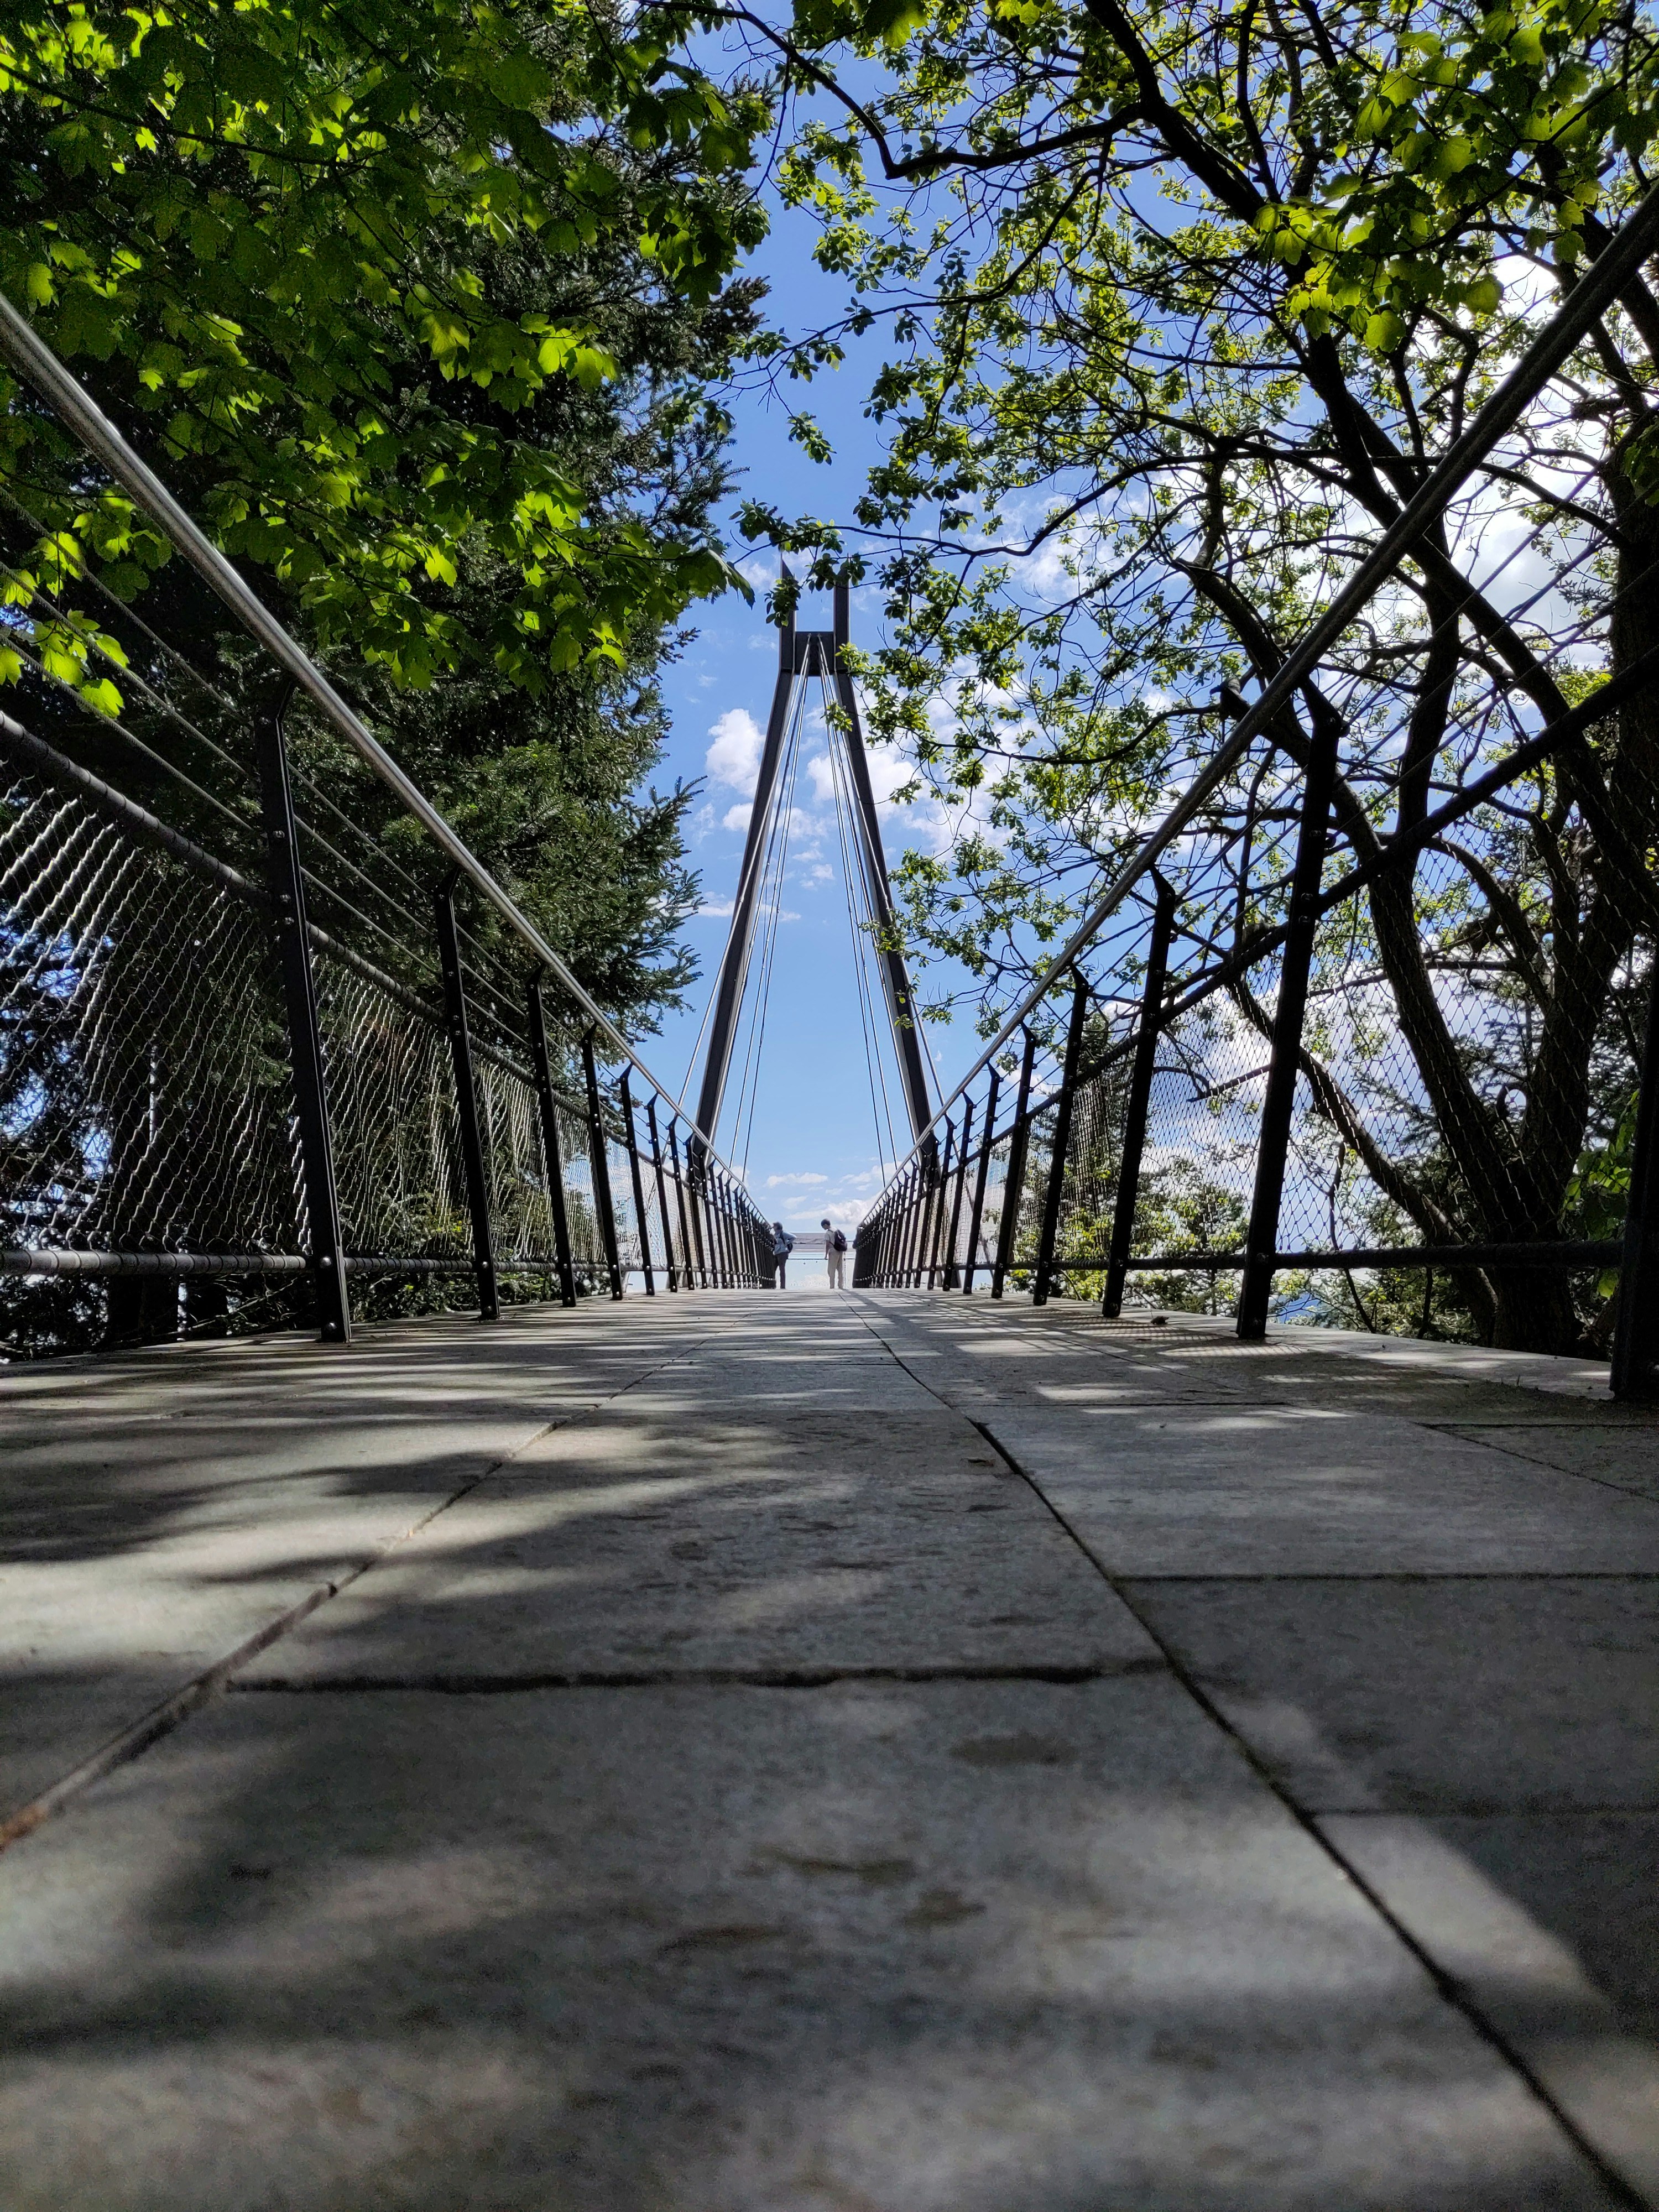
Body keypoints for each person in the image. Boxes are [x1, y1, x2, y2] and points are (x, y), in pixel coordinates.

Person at [822, 1217, 847, 1290]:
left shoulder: (828, 1233)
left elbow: (827, 1245)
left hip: (833, 1251)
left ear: (826, 1225)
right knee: (840, 1269)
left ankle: (832, 1286)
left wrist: (826, 1254)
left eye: (823, 1226)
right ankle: (841, 1285)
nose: (823, 1228)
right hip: (840, 1251)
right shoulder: (836, 1229)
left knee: (831, 1270)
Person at [770, 1220, 794, 1288]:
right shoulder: (775, 1234)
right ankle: (773, 1284)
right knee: (774, 1268)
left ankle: (783, 1286)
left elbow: (794, 1237)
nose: (773, 1228)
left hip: (783, 1252)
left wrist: (787, 1243)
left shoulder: (783, 1233)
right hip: (777, 1252)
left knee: (782, 1269)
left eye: (774, 1226)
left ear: (777, 1227)